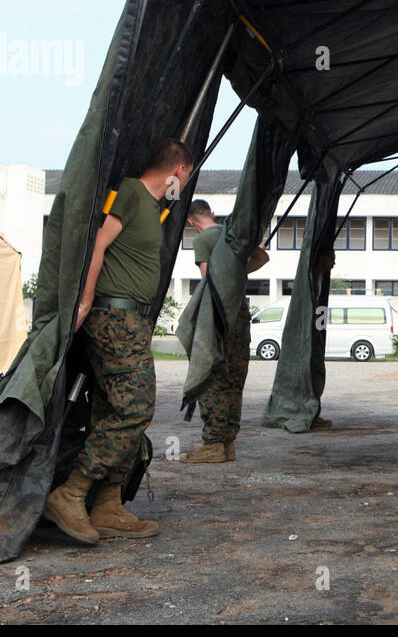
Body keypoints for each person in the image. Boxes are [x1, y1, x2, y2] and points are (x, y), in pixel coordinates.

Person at [43, 139, 194, 545]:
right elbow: (97, 244)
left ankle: (107, 505)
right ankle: (71, 493)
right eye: (188, 174)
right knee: (135, 407)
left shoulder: (153, 207)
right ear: (178, 171)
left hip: (131, 320)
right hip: (114, 316)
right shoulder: (131, 192)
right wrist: (87, 300)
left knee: (112, 408)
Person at [178, 199, 270, 463]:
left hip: (217, 315)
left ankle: (214, 444)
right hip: (240, 313)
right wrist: (238, 270)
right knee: (234, 378)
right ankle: (228, 443)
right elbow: (262, 257)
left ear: (190, 221)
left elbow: (211, 279)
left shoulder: (203, 240)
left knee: (212, 376)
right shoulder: (232, 234)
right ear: (213, 214)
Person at [308, 247, 336, 430]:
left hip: (315, 332)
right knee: (313, 373)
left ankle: (313, 412)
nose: (334, 263)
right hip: (309, 335)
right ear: (322, 258)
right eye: (331, 258)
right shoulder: (310, 280)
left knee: (318, 372)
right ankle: (309, 413)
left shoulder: (317, 280)